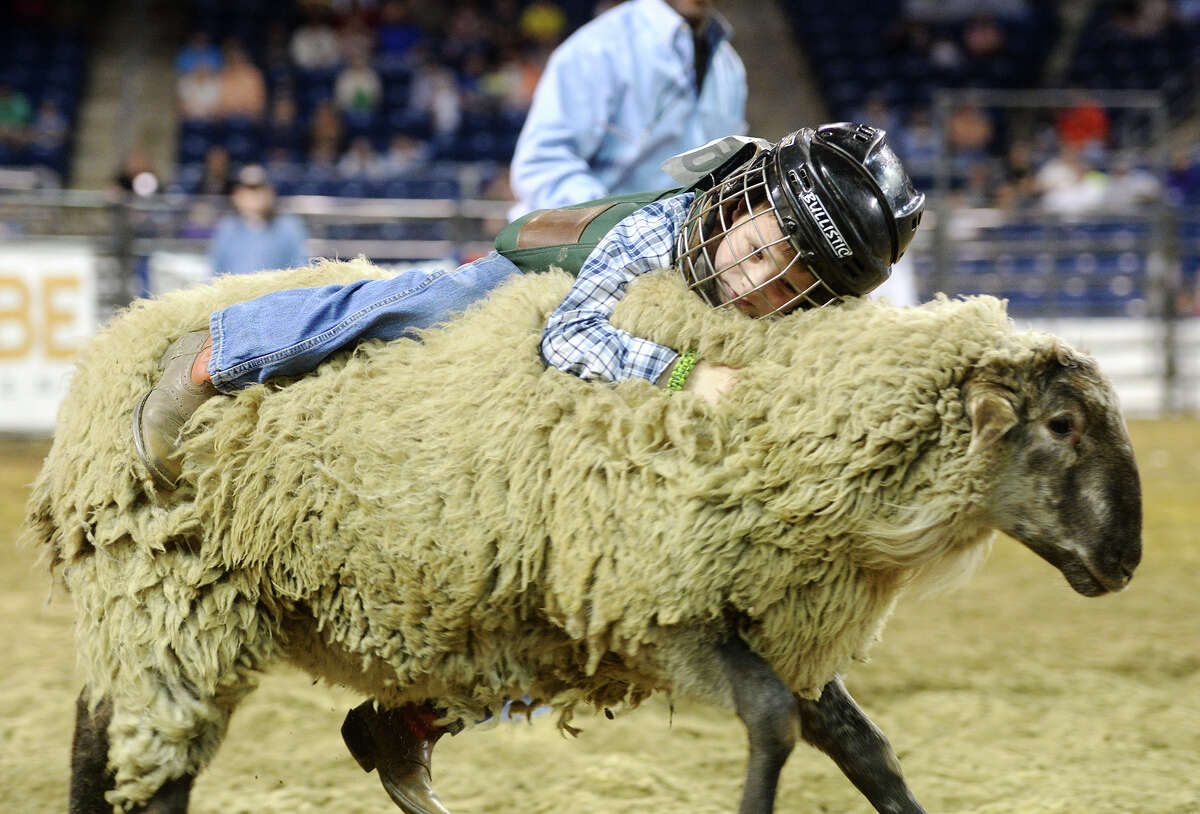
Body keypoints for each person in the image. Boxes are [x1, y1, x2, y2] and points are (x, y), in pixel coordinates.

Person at [131, 123, 924, 814]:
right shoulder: (660, 233)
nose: (752, 283)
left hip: (617, 358)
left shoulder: (774, 295)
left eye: (787, 286)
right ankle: (223, 353)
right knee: (417, 304)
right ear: (742, 200)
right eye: (756, 251)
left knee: (578, 601)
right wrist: (683, 374)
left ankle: (410, 719)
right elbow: (569, 339)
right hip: (543, 279)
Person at [508, 0, 747, 216]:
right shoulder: (599, 46)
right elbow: (543, 166)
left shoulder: (730, 68)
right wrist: (622, 227)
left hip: (680, 252)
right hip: (577, 250)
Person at [207, 164, 308, 276]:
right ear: (236, 196)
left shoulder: (288, 227)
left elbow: (300, 268)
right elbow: (216, 269)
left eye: (257, 191)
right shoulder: (227, 227)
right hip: (236, 292)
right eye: (247, 191)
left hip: (276, 291)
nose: (252, 197)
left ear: (269, 193)